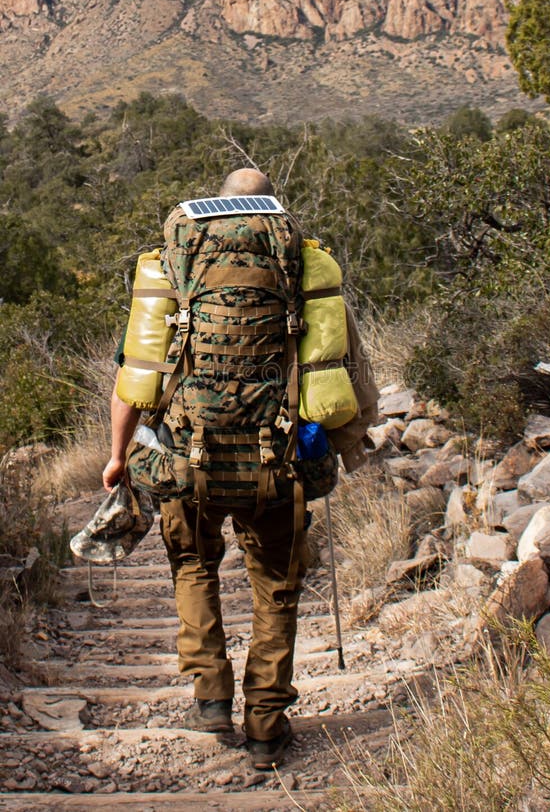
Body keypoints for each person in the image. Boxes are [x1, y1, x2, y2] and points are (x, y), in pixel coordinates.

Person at [102, 168, 378, 770]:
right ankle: (266, 726)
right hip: (275, 461)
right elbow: (344, 367)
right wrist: (348, 444)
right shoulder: (302, 268)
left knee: (193, 566)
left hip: (186, 457)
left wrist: (119, 456)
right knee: (276, 585)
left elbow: (136, 375)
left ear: (218, 207)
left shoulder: (172, 268)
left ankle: (208, 698)